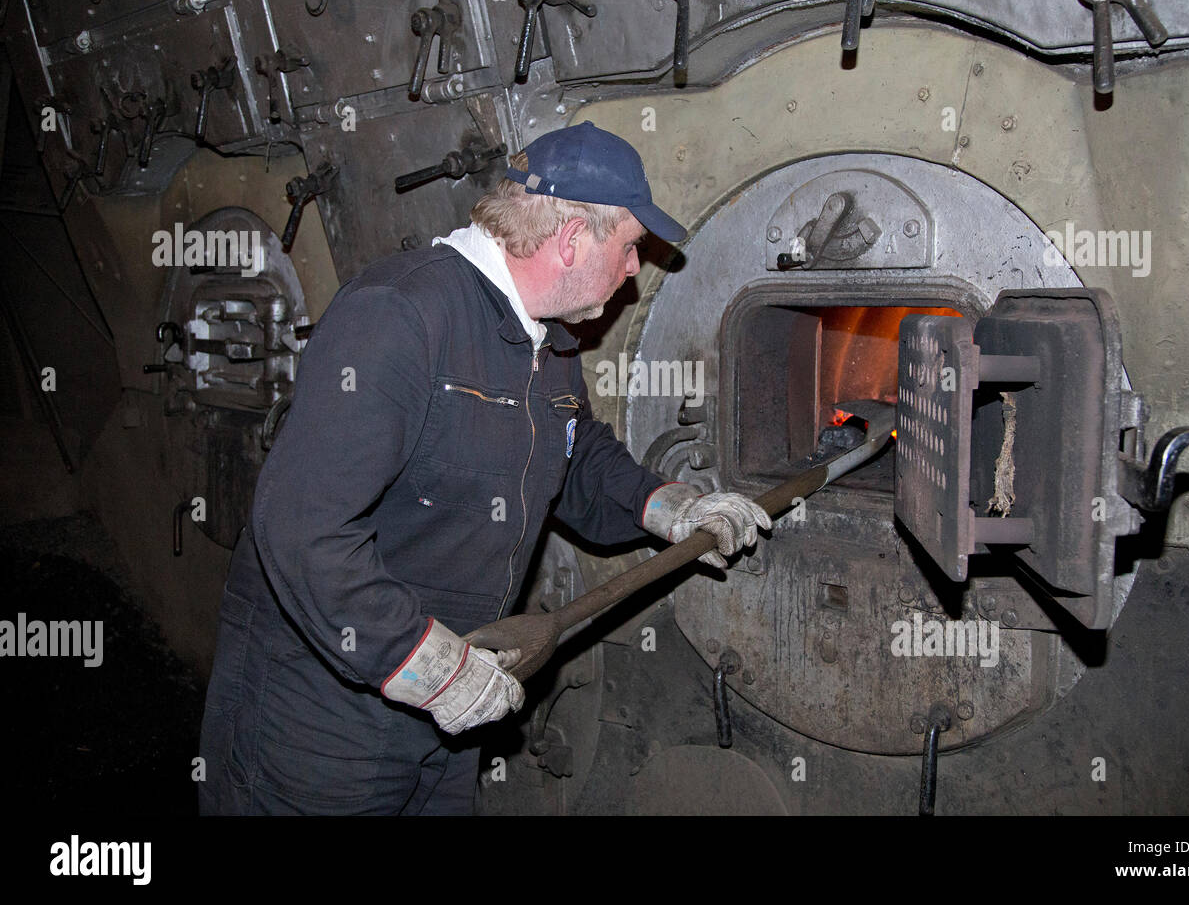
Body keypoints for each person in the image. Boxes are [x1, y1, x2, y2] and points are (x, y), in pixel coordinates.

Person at [197, 121, 770, 815]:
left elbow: (574, 451)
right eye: (629, 248)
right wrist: (418, 661)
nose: (632, 270)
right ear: (570, 240)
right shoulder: (400, 316)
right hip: (323, 716)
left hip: (450, 705)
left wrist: (672, 506)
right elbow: (299, 526)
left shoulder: (546, 341)